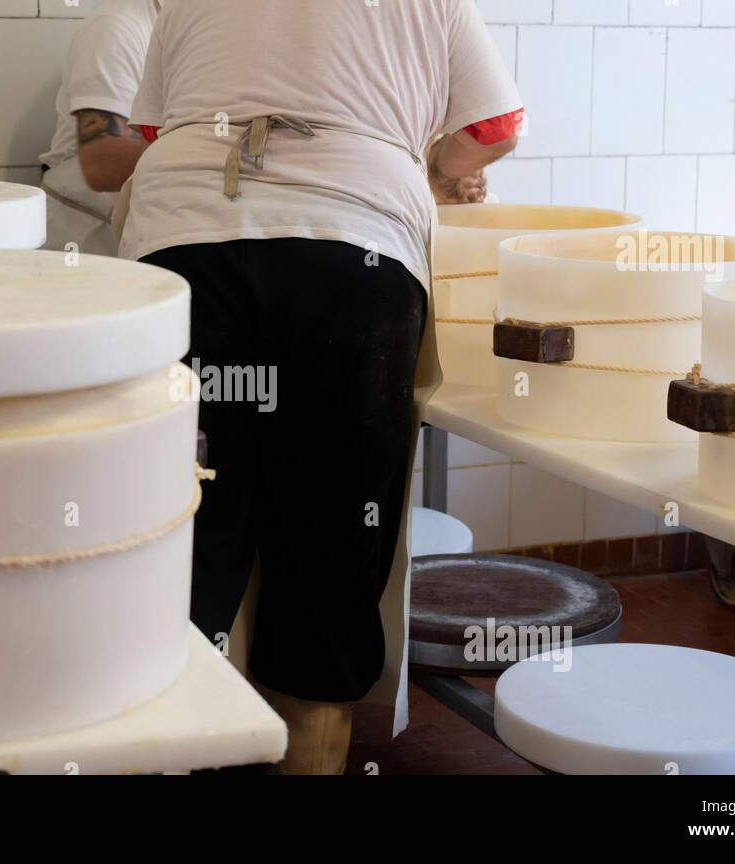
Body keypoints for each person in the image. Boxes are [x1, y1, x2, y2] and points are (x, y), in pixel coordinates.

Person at [120, 0, 522, 774]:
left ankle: (175, 731)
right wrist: (432, 169)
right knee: (330, 555)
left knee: (186, 534)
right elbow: (496, 126)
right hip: (352, 261)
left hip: (186, 251)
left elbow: (151, 131)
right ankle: (312, 742)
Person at [39, 0, 161, 257]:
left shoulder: (204, 30)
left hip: (144, 230)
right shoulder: (115, 29)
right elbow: (105, 164)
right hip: (85, 236)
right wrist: (209, 152)